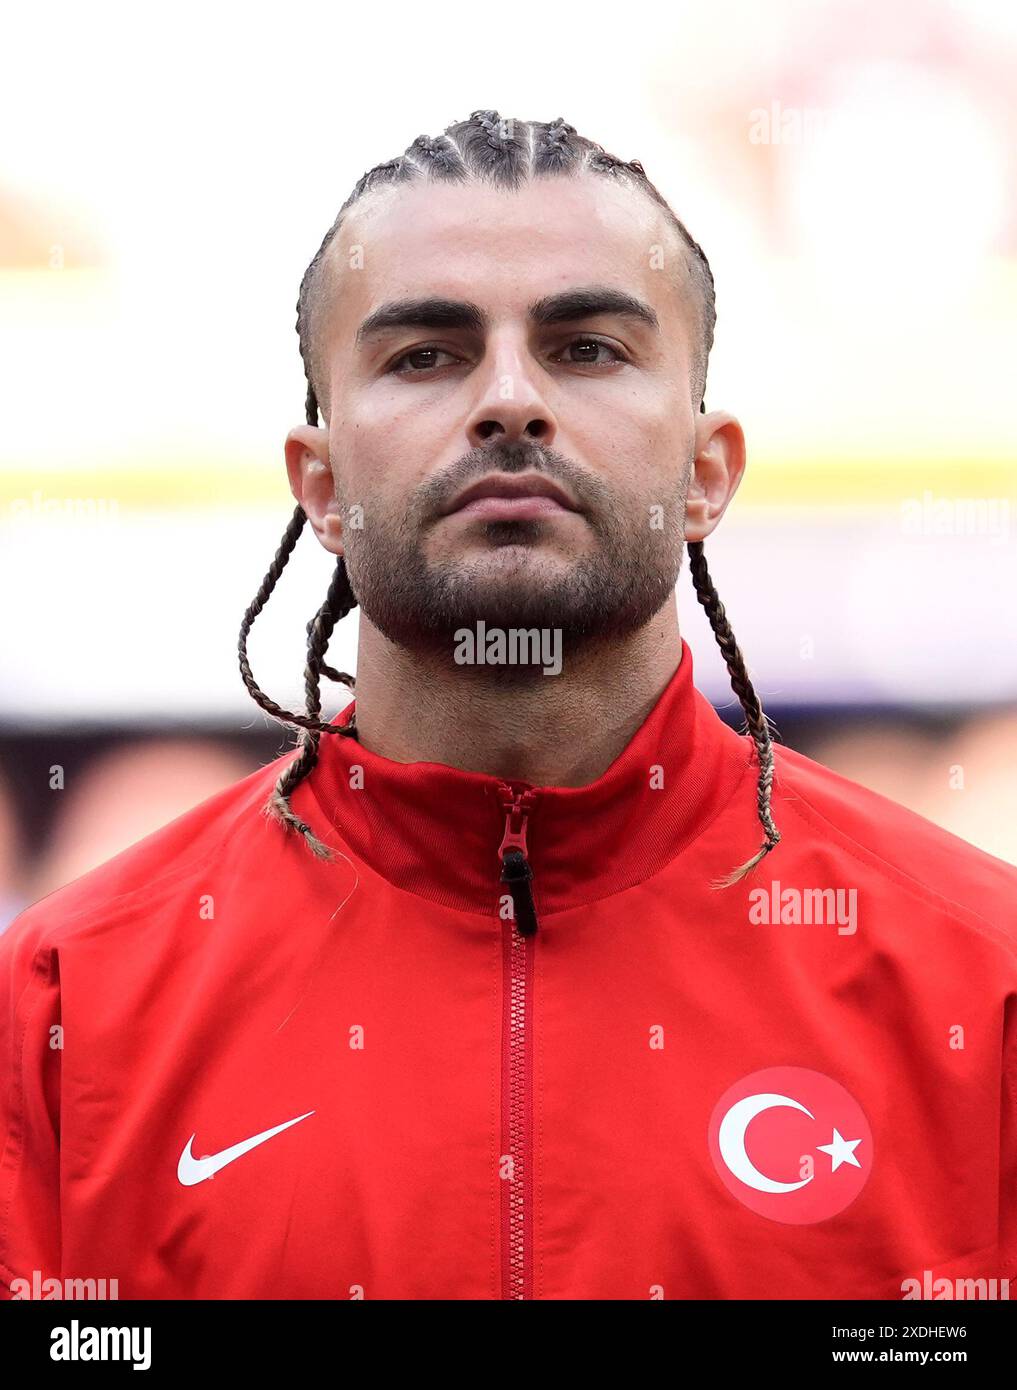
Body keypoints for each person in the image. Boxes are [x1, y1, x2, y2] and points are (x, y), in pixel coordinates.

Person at [2, 111, 1014, 1302]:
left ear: (706, 474)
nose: (510, 402)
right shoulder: (67, 1006)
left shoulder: (981, 987)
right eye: (426, 354)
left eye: (586, 347)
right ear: (321, 489)